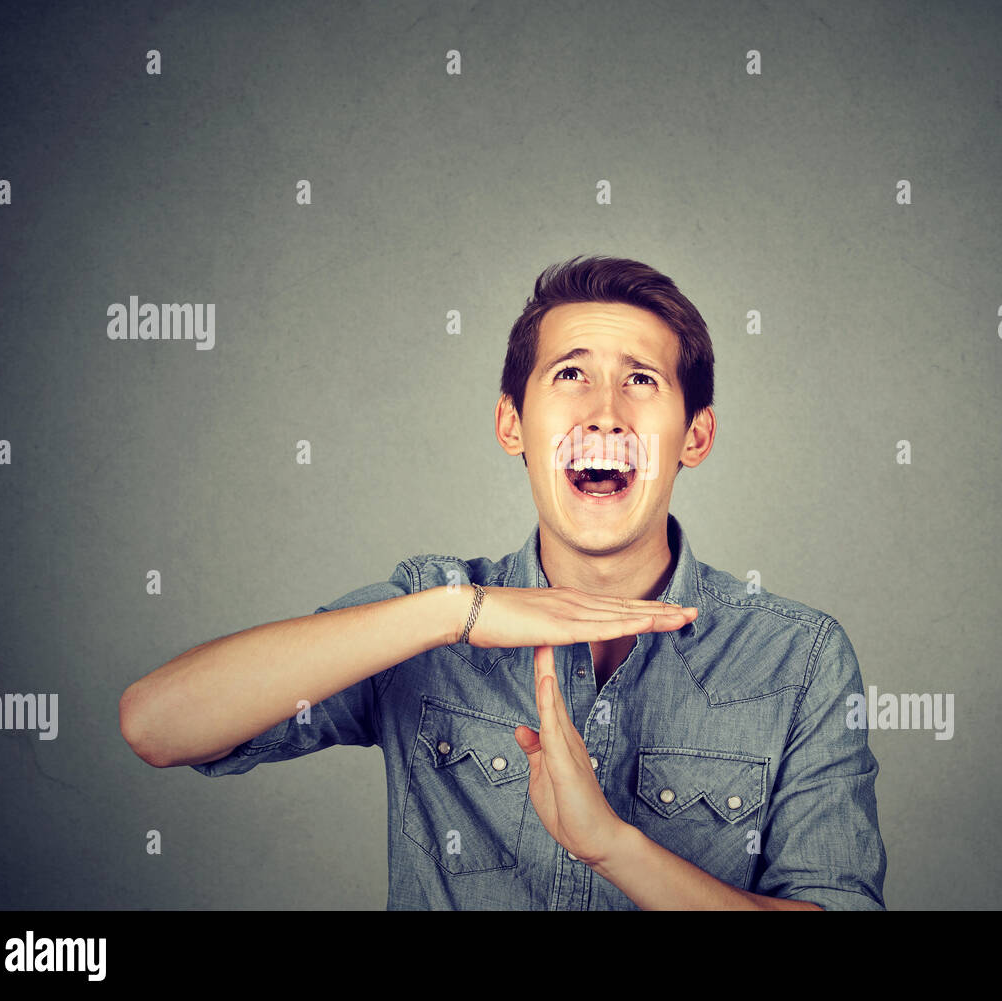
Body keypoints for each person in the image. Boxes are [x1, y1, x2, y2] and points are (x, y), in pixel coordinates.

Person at [118, 254, 887, 910]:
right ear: (512, 422)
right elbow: (156, 722)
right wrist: (458, 613)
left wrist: (615, 846)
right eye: (571, 373)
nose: (604, 413)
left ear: (695, 435)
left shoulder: (800, 656)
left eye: (641, 380)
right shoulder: (430, 611)